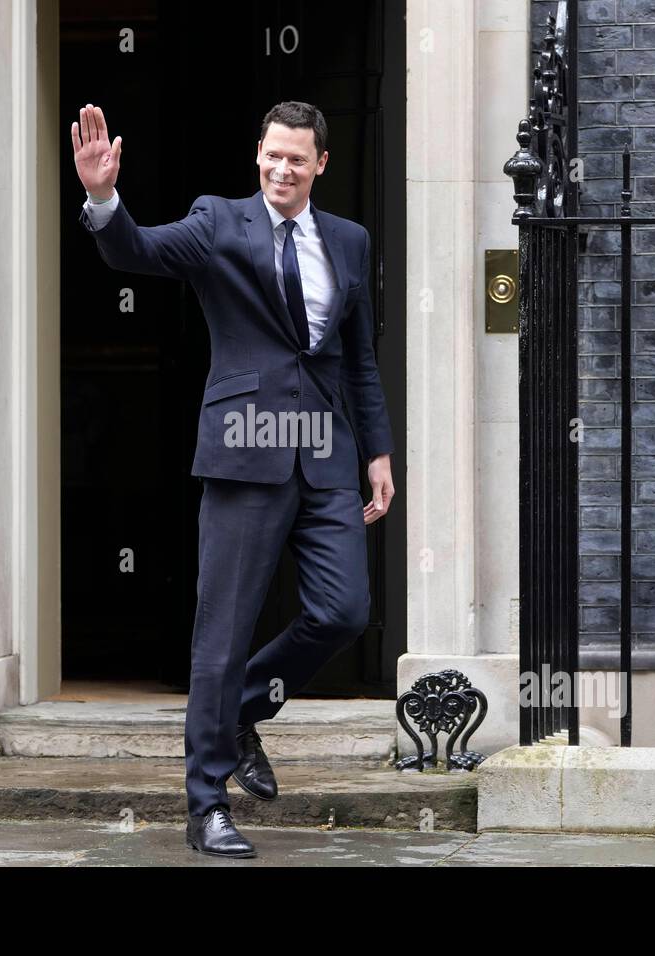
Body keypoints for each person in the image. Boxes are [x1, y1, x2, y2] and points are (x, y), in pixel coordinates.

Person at [72, 100, 394, 858]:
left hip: (325, 450)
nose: (282, 169)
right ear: (259, 156)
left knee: (344, 610)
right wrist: (101, 198)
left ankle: (245, 706)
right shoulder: (218, 222)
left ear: (320, 164)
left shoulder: (348, 241)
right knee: (220, 636)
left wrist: (376, 452)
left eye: (297, 159)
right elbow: (136, 252)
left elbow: (359, 360)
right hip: (244, 450)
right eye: (271, 155)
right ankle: (206, 803)